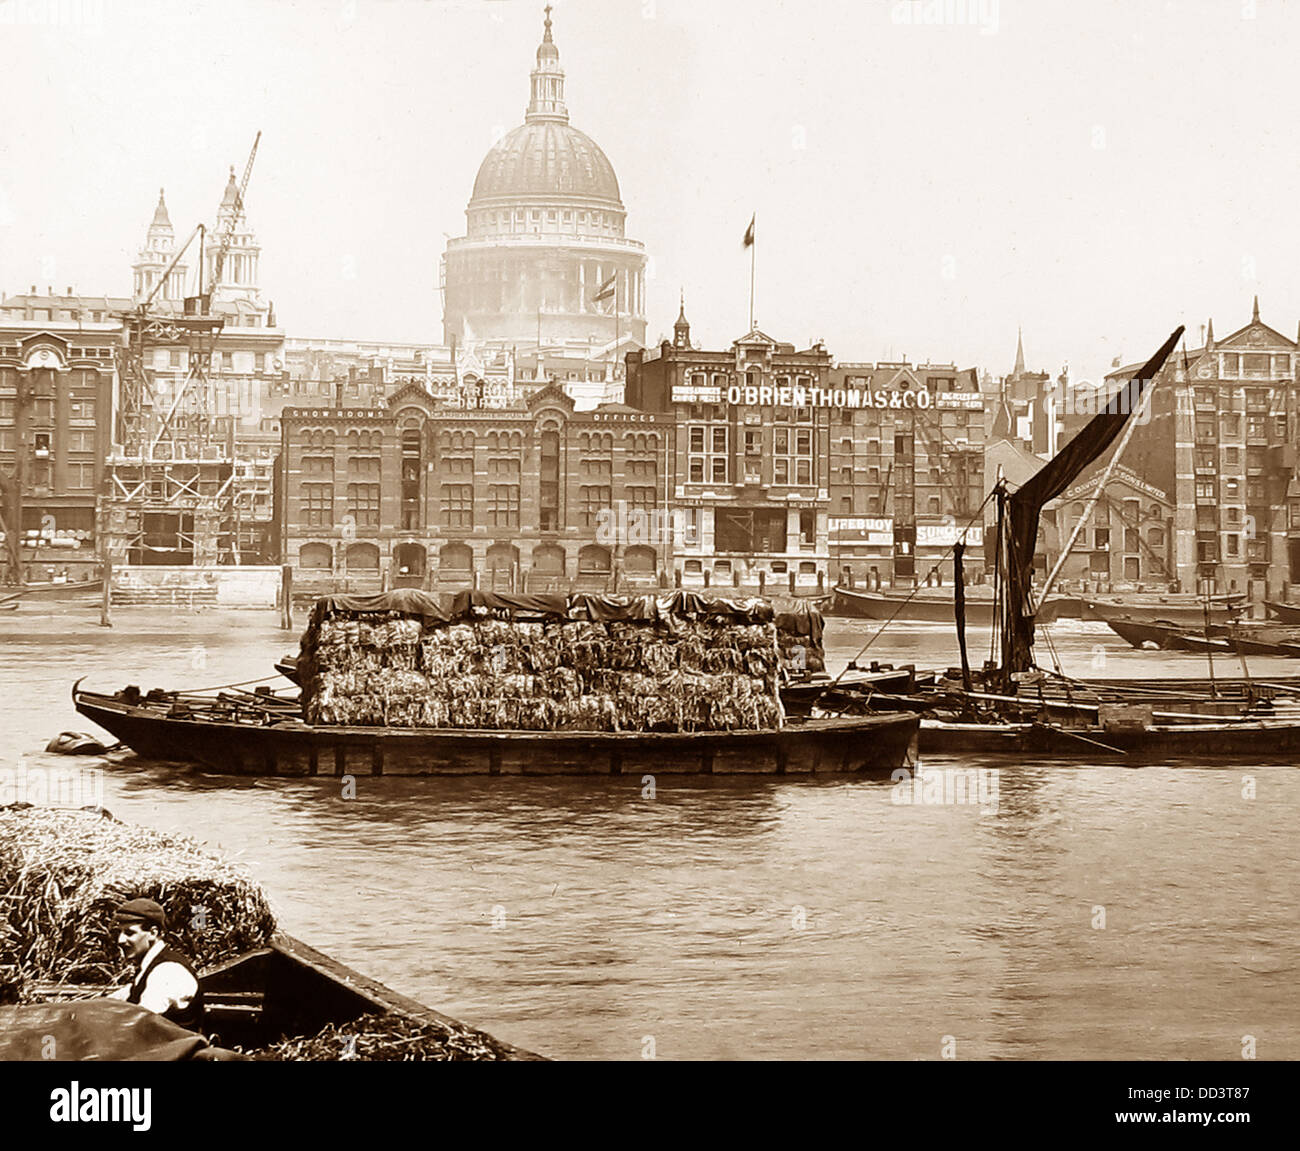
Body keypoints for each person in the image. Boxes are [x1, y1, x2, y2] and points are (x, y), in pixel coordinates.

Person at [107, 898, 204, 1031]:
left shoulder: (167, 970)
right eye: (120, 933)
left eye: (129, 933)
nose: (120, 940)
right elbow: (126, 994)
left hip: (173, 1050)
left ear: (153, 933)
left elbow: (140, 1020)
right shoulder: (150, 966)